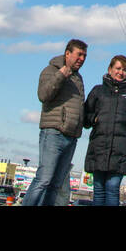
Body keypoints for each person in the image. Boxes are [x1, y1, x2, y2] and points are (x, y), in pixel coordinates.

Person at [23, 39, 87, 206]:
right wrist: (62, 74)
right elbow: (43, 95)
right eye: (79, 54)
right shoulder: (51, 70)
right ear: (67, 53)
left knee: (56, 185)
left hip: (71, 137)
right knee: (44, 179)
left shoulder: (78, 79)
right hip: (53, 133)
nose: (82, 58)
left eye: (84, 56)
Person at [82, 54, 126, 206]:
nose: (121, 72)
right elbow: (84, 116)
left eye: (125, 70)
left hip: (121, 151)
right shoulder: (98, 91)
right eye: (118, 68)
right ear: (110, 69)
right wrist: (94, 119)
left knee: (112, 187)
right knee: (98, 189)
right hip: (98, 148)